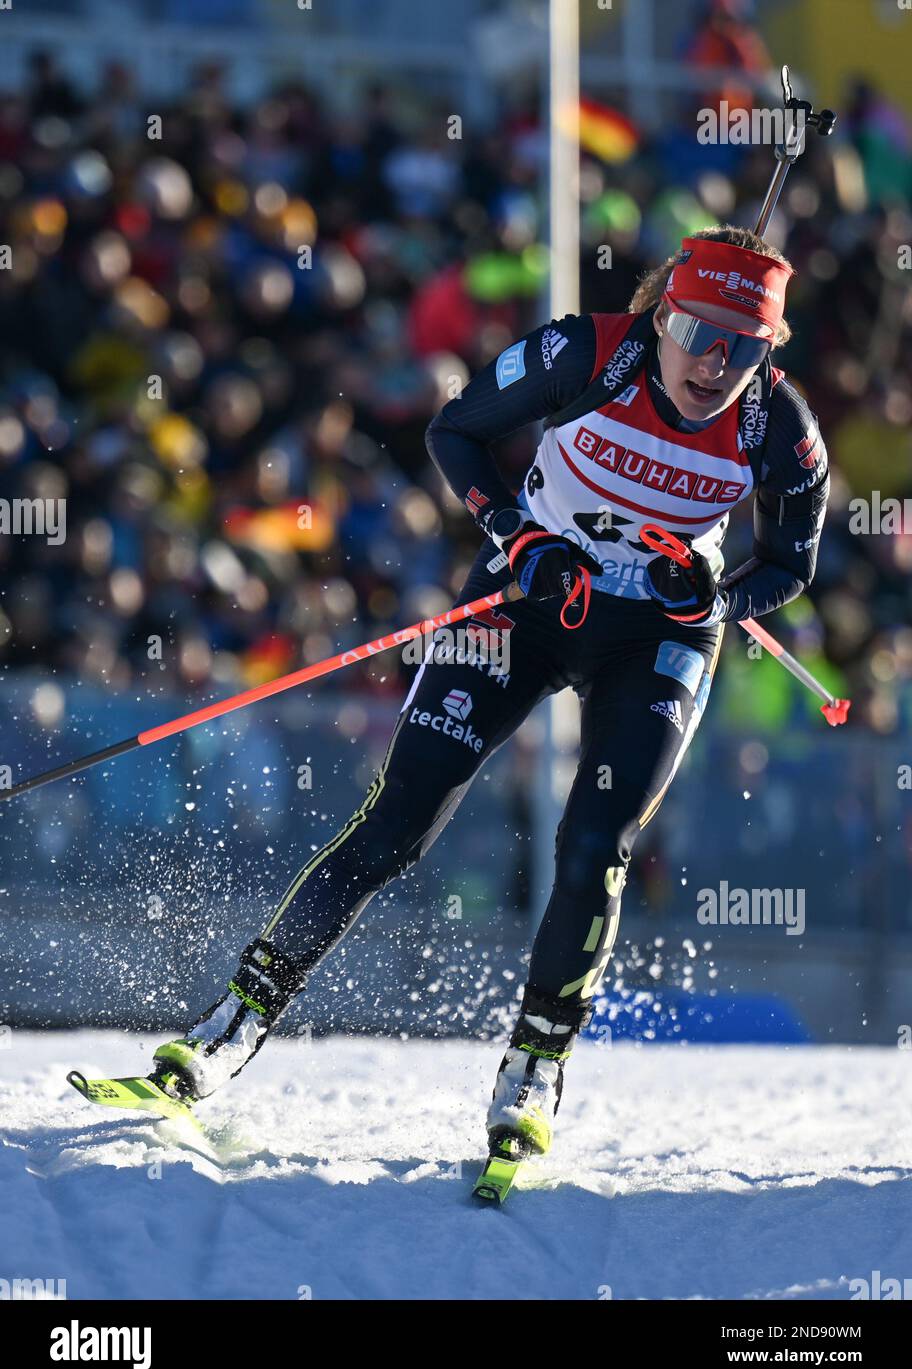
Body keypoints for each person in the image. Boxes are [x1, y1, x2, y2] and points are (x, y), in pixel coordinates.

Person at [140, 226, 829, 1165]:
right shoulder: (586, 354)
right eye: (701, 332)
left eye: (746, 347)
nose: (717, 362)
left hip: (660, 635)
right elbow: (453, 431)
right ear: (664, 315)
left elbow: (789, 564)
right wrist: (521, 536)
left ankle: (534, 1069)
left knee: (595, 842)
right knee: (401, 822)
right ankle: (234, 1023)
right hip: (526, 597)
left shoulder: (777, 428)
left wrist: (717, 594)